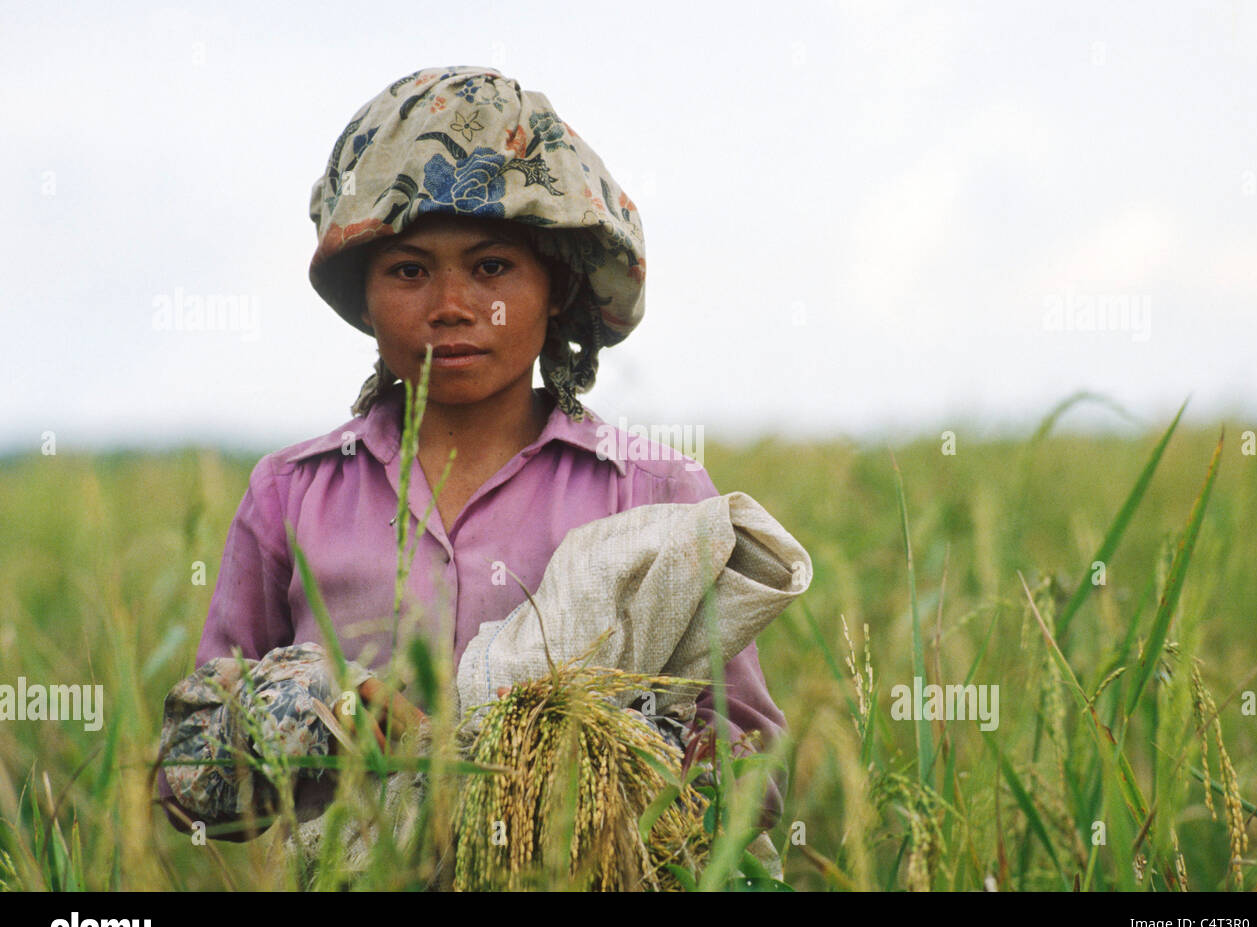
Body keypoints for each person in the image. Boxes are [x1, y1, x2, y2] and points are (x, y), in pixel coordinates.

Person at [156, 65, 788, 857]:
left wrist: (625, 779)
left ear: (555, 290)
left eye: (492, 267)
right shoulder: (293, 492)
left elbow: (750, 764)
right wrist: (311, 707)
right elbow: (192, 790)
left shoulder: (654, 493)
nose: (451, 305)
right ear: (364, 296)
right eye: (409, 270)